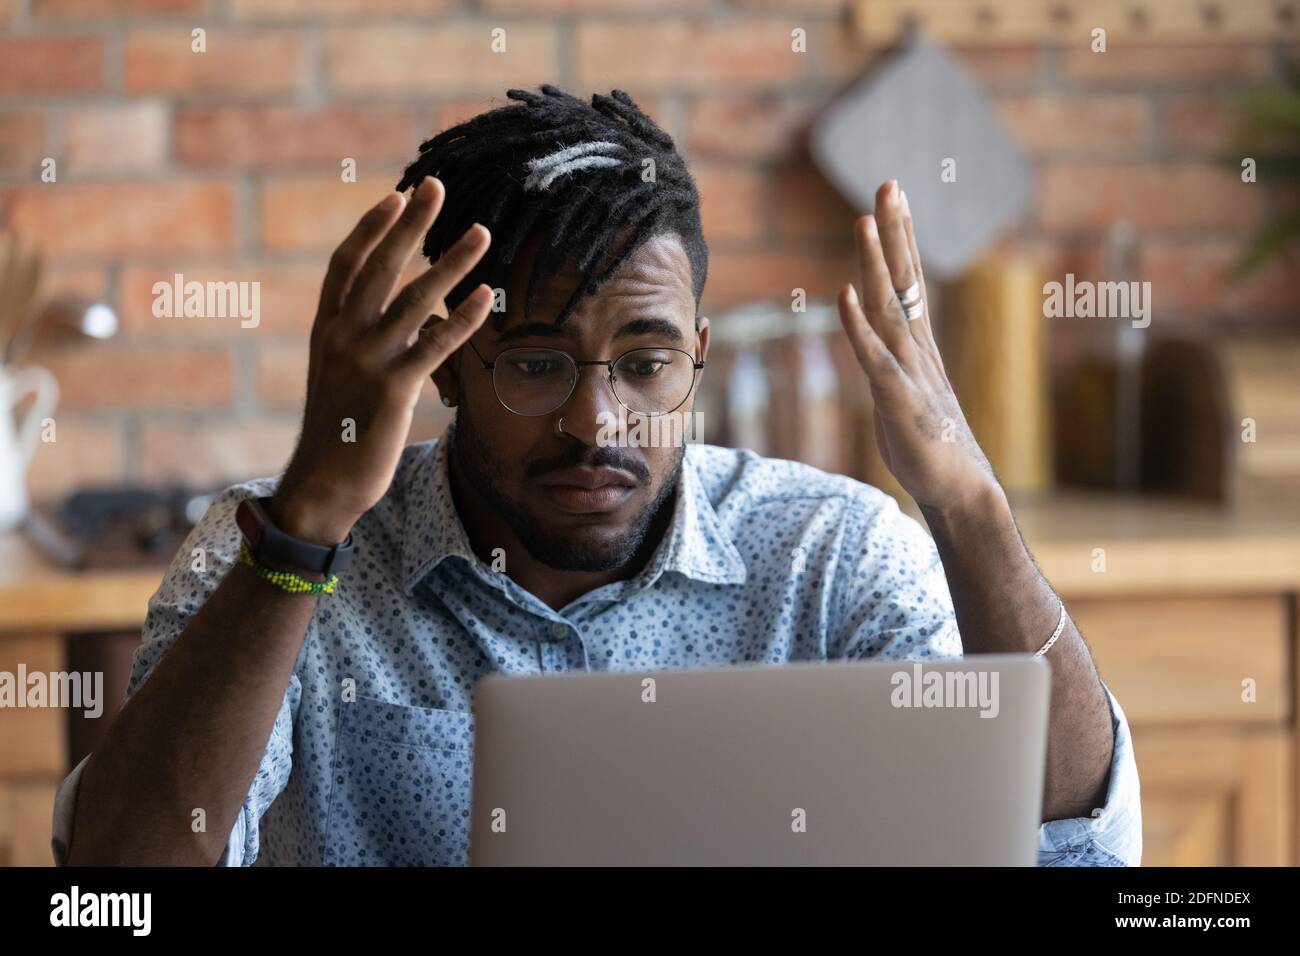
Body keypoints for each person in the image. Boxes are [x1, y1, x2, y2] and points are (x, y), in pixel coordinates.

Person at [55, 85, 1139, 867]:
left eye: (645, 363)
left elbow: (1078, 855)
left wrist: (968, 506)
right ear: (443, 361)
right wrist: (306, 522)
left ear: (699, 355)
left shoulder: (836, 559)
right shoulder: (275, 553)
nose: (595, 419)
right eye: (535, 362)